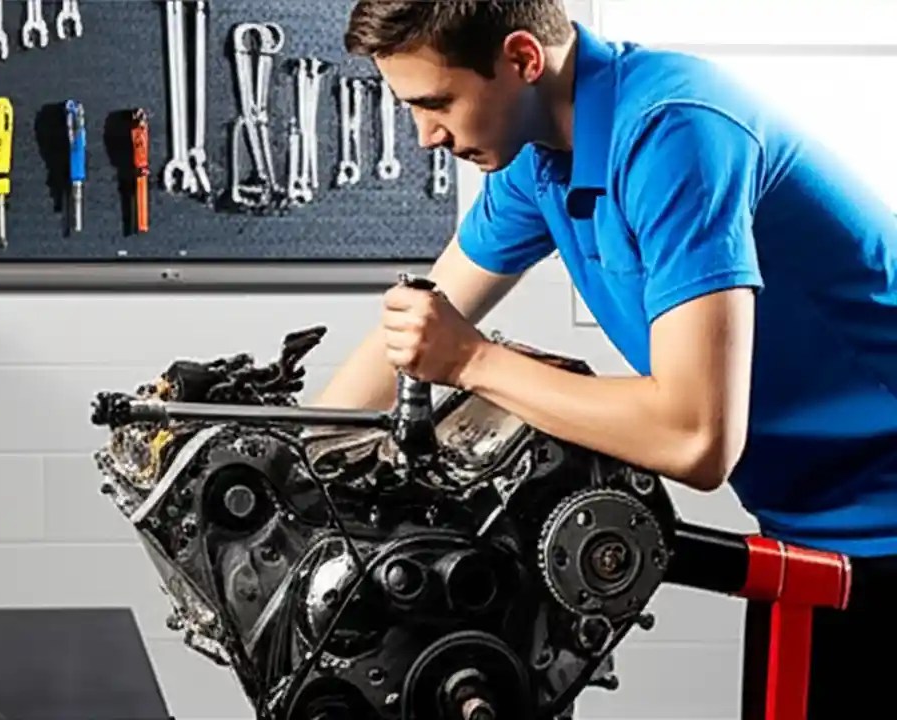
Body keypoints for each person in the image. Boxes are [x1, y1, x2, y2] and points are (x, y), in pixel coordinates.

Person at [317, 1, 897, 718]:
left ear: (522, 59)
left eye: (436, 103)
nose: (426, 136)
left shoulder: (674, 132)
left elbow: (694, 439)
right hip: (813, 533)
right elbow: (416, 330)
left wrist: (471, 361)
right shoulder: (539, 163)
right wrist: (291, 456)